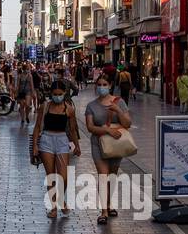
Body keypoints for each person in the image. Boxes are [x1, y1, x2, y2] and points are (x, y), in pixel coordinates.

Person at [85, 72, 132, 225]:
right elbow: (90, 127)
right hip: (98, 143)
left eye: (105, 85)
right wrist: (107, 130)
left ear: (110, 86)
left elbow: (127, 124)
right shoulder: (91, 106)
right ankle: (103, 211)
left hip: (116, 144)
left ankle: (109, 204)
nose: (102, 87)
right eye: (99, 85)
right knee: (103, 176)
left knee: (112, 175)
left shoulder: (120, 102)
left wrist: (118, 110)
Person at [32, 77, 80, 219]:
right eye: (55, 94)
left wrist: (77, 146)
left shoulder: (69, 109)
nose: (57, 96)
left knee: (63, 177)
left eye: (60, 94)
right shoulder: (45, 107)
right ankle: (54, 207)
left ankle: (61, 199)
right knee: (51, 176)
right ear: (51, 93)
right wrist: (35, 145)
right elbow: (36, 127)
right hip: (46, 140)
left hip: (62, 141)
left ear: (64, 93)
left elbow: (72, 130)